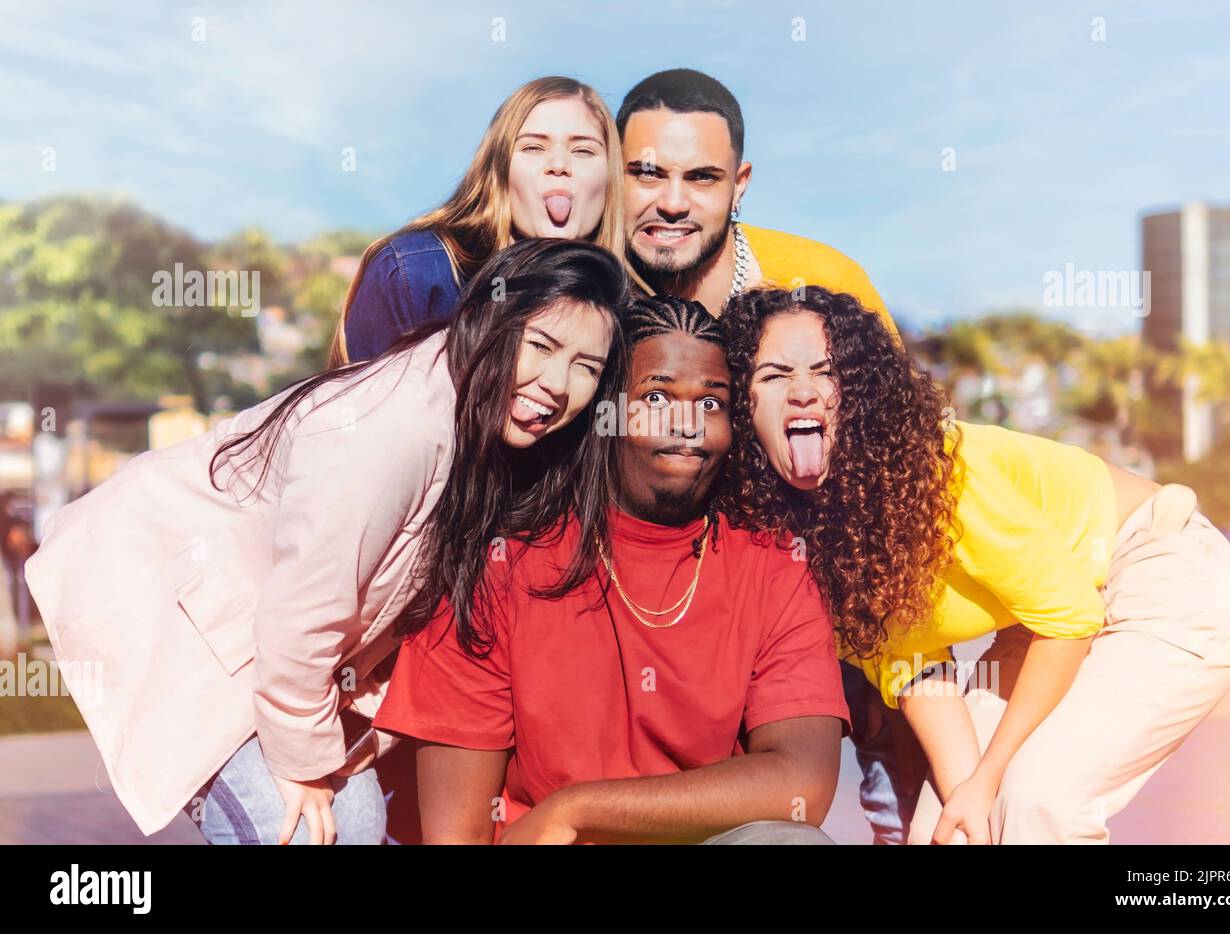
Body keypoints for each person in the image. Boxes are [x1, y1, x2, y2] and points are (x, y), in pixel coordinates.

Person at [23, 239, 629, 844]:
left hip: (244, 622)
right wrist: (304, 763)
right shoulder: (395, 429)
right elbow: (303, 616)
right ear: (489, 320)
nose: (557, 383)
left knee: (354, 821)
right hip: (160, 593)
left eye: (586, 367)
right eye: (541, 346)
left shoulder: (484, 433)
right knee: (303, 830)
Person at [719, 285, 1230, 844]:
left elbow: (1069, 617)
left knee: (1039, 802)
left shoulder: (937, 472)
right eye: (774, 375)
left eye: (825, 372)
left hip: (1159, 572)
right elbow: (918, 668)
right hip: (1050, 622)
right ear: (744, 404)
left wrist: (991, 776)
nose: (802, 392)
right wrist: (971, 797)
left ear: (857, 390)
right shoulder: (804, 542)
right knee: (945, 830)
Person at [372, 296, 849, 844]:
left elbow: (802, 784)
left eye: (711, 404)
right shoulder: (499, 566)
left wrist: (575, 808)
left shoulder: (776, 568)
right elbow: (457, 833)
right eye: (656, 397)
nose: (688, 424)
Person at [330, 76, 625, 364]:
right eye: (533, 147)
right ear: (499, 170)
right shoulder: (415, 274)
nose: (559, 165)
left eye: (583, 150)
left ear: (609, 177)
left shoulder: (620, 309)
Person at [615, 67, 893, 331]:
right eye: (647, 174)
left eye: (702, 177)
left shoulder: (829, 284)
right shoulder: (583, 289)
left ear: (738, 185)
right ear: (612, 174)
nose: (673, 204)